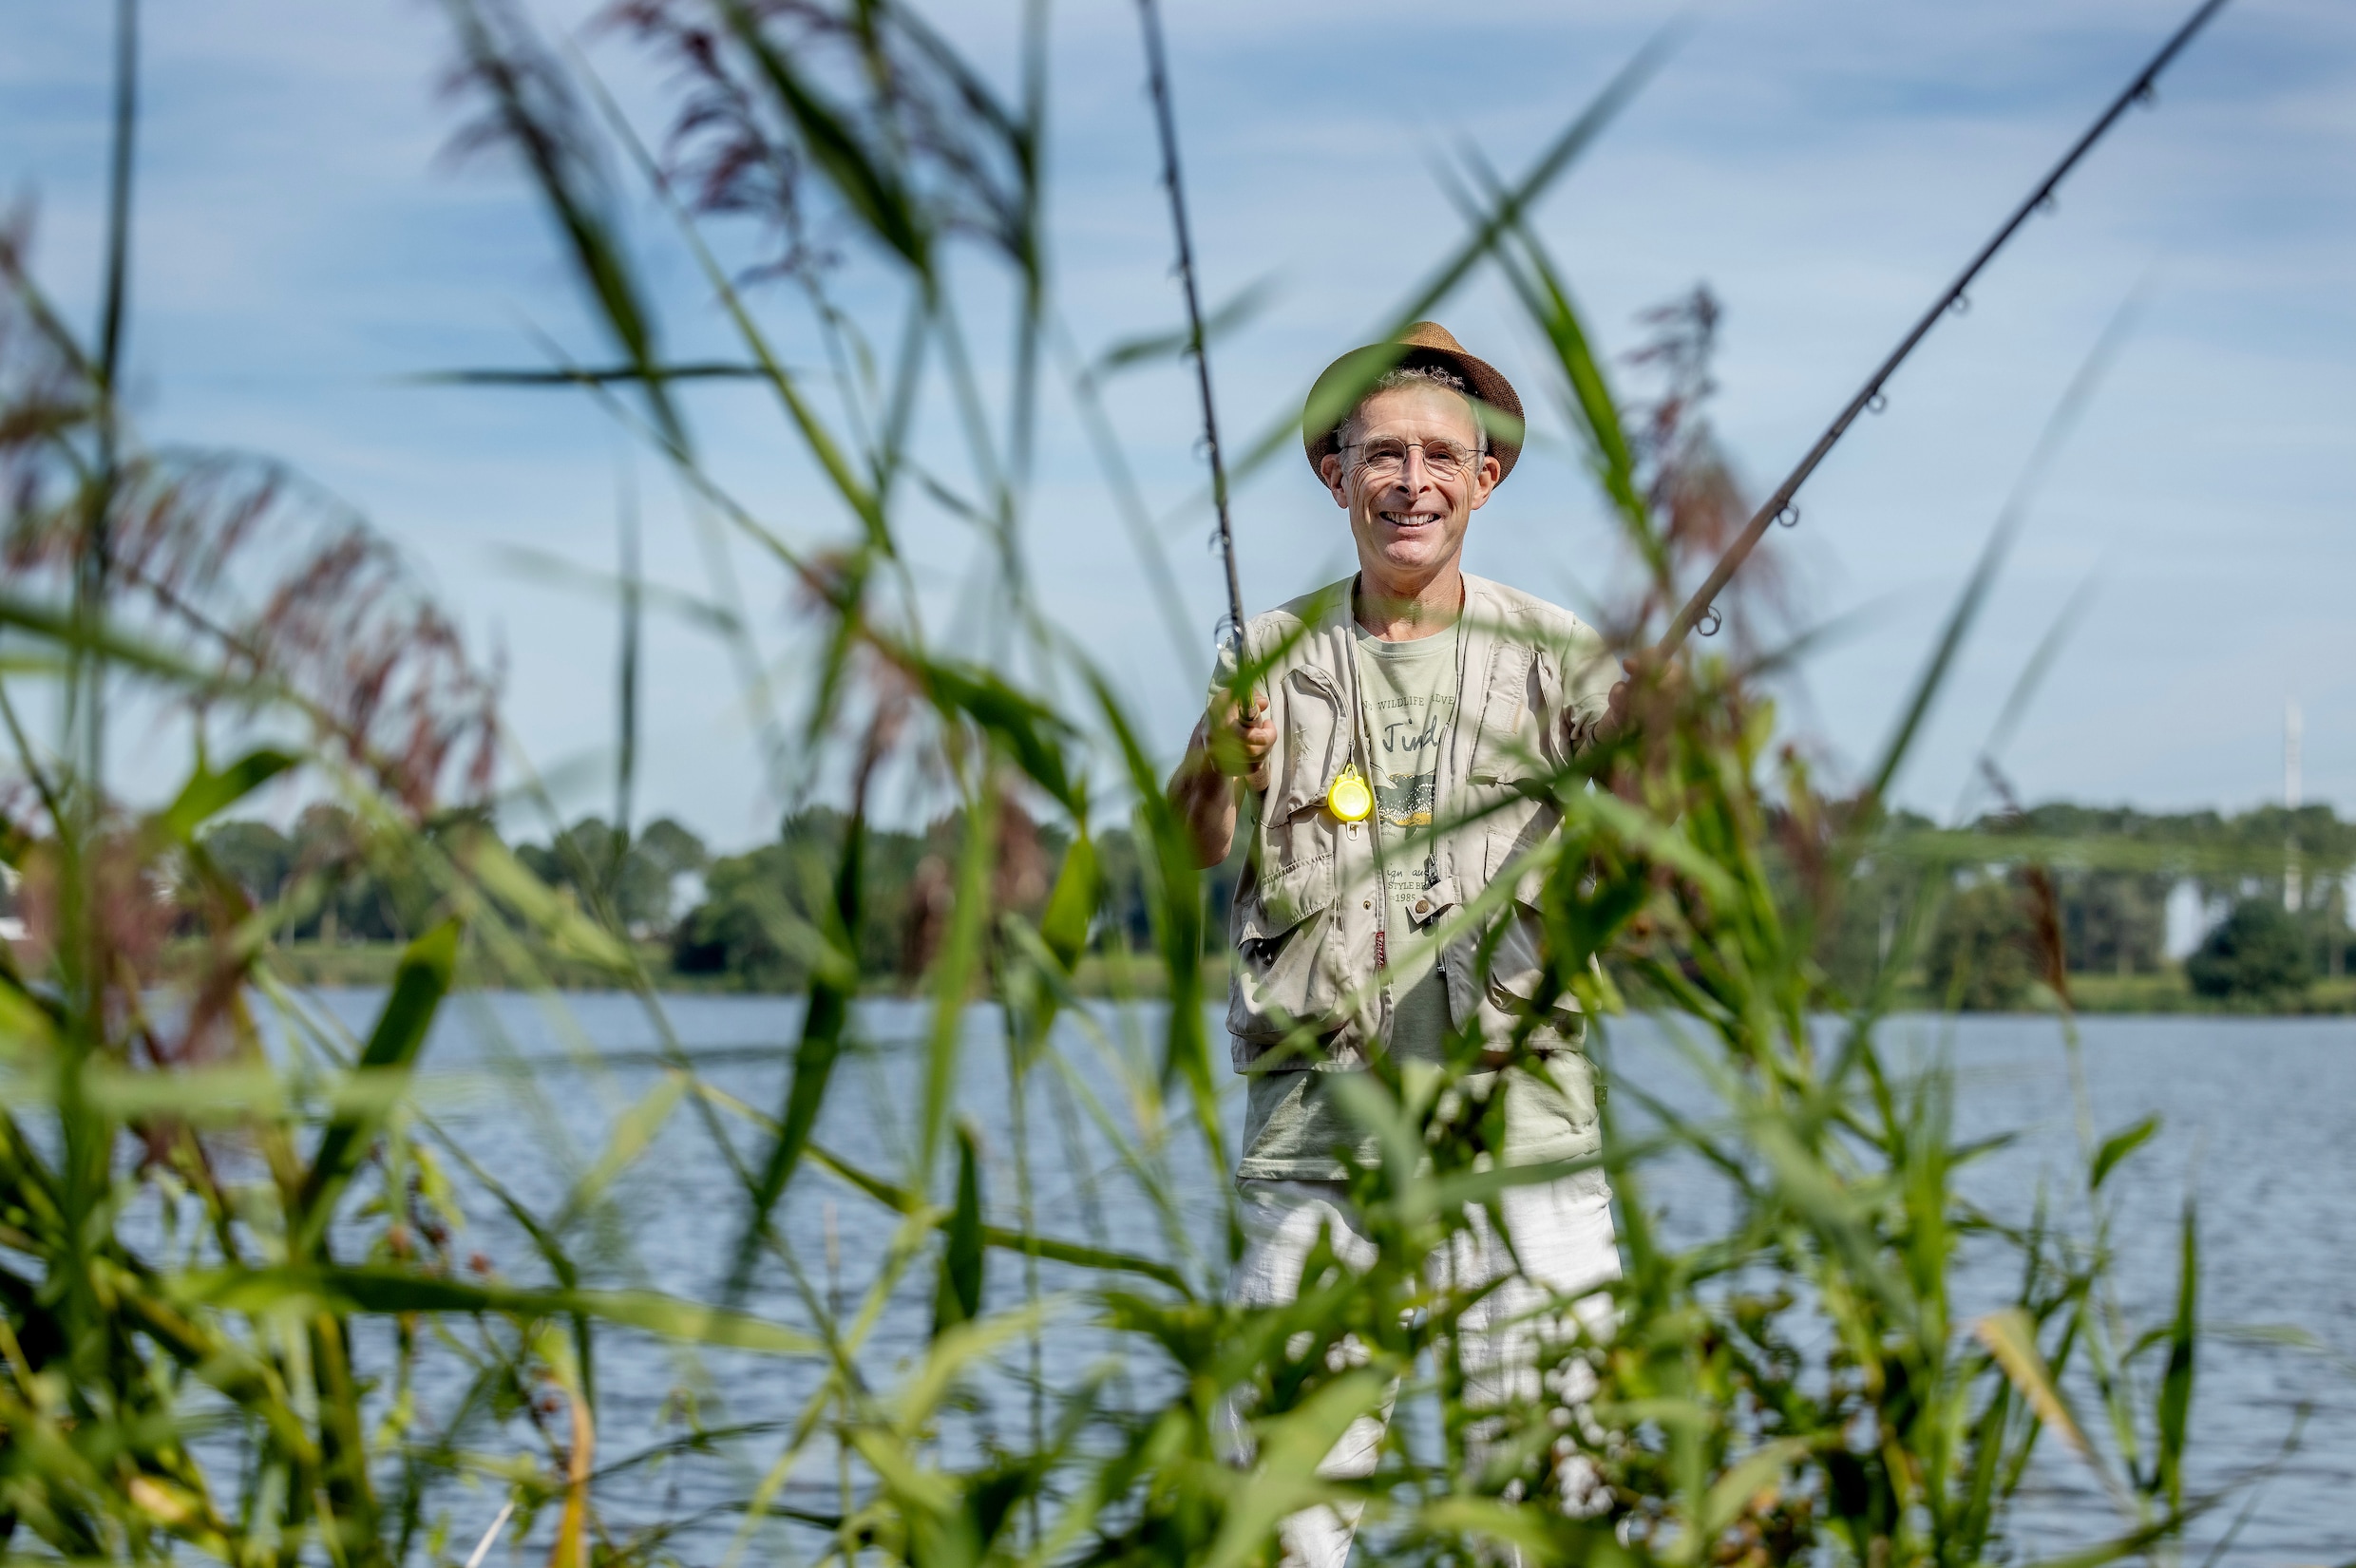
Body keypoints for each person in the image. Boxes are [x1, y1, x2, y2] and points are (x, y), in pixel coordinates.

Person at [1169, 322, 1624, 1566]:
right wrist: (1214, 762)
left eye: (1440, 456)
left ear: (1485, 478)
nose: (1410, 482)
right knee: (1290, 1518)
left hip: (1522, 1127)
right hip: (1320, 1127)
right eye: (1380, 456)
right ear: (1336, 477)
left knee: (1548, 1510)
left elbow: (1660, 871)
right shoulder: (1263, 652)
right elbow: (1194, 847)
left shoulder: (1568, 655)